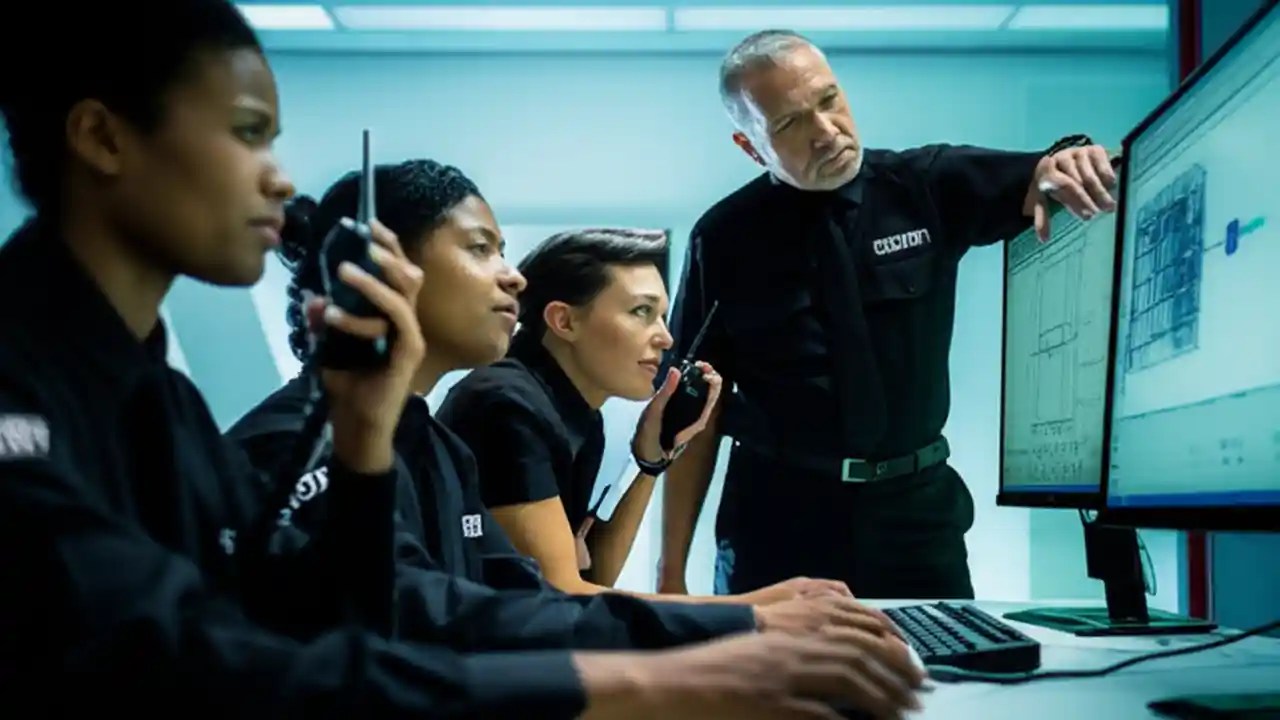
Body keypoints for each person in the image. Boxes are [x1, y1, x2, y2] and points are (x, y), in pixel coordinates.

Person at [0, 5, 927, 717]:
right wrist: (664, 679)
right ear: (103, 137)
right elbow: (190, 659)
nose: (279, 178)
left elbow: (381, 610)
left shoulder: (161, 398)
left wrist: (365, 448)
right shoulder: (24, 391)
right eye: (249, 133)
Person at [228, 159, 874, 650]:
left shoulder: (437, 446)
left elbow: (535, 601)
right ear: (380, 267)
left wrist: (754, 613)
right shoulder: (296, 450)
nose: (512, 276)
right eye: (481, 249)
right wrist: (750, 621)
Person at [657, 29, 1119, 601]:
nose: (825, 132)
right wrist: (669, 571)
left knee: (949, 681)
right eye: (789, 124)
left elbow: (1039, 178)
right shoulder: (723, 239)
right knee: (775, 686)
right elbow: (693, 414)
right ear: (750, 146)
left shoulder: (924, 185)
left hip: (916, 520)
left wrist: (1066, 160)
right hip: (776, 524)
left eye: (828, 100)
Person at [436, 228, 849, 606]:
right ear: (564, 320)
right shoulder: (508, 407)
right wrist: (761, 607)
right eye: (641, 312)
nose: (665, 337)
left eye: (663, 315)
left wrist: (650, 460)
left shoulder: (576, 416)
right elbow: (564, 599)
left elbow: (594, 574)